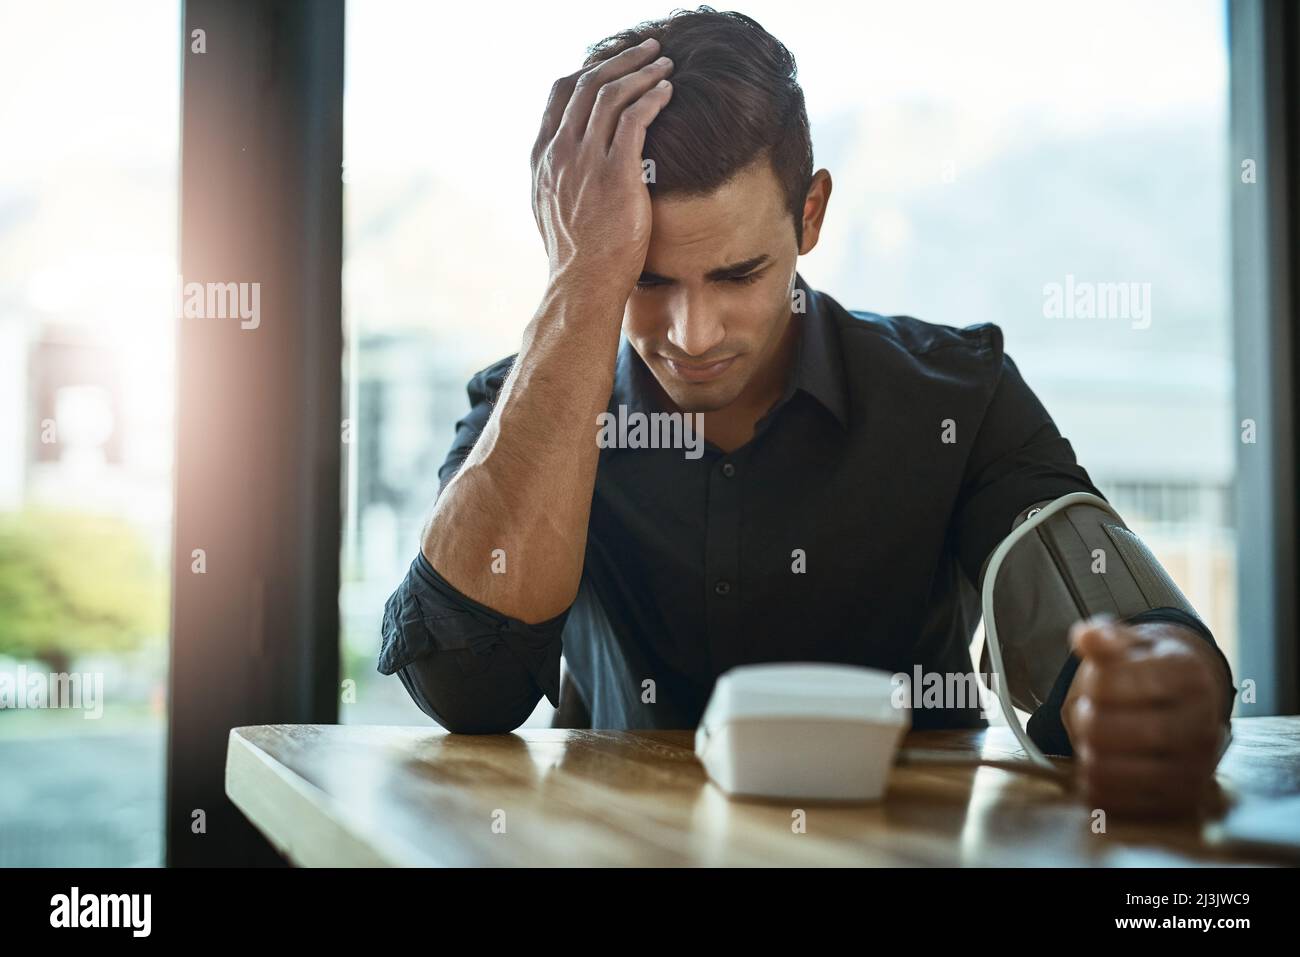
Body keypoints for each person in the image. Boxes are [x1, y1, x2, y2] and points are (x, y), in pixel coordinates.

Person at [378, 7, 1234, 817]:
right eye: (646, 278)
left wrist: (1163, 681)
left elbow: (1116, 620)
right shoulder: (521, 402)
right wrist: (581, 282)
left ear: (812, 213)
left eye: (738, 274)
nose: (693, 333)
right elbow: (463, 683)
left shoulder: (956, 394)